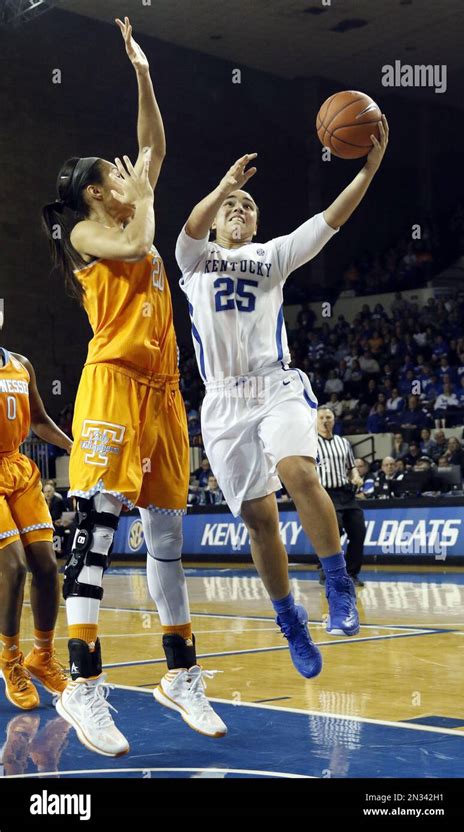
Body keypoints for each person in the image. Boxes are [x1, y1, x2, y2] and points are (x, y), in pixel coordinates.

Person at [41, 17, 225, 757]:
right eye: (116, 177)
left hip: (163, 390)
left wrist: (144, 74)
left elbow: (154, 145)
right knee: (95, 536)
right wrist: (141, 195)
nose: (132, 177)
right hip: (113, 383)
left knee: (167, 538)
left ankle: (181, 673)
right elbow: (138, 240)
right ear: (94, 192)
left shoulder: (132, 201)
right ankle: (82, 686)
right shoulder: (88, 236)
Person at [176, 118, 389, 666]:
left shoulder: (272, 257)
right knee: (260, 519)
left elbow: (331, 220)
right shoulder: (193, 259)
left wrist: (368, 167)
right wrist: (223, 187)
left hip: (276, 384)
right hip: (222, 401)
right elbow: (192, 225)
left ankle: (337, 582)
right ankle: (289, 619)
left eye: (248, 205)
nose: (239, 210)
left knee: (297, 470)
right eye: (232, 206)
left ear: (259, 222)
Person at [0, 347, 71, 709]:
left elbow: (39, 421)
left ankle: (42, 656)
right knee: (13, 567)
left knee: (46, 565)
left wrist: (75, 447)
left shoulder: (21, 364)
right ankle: (10, 660)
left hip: (19, 468)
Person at [316, 411, 366, 586]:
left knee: (359, 531)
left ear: (334, 420)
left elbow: (351, 467)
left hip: (345, 493)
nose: (325, 421)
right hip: (324, 493)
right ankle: (327, 570)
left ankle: (352, 573)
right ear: (315, 420)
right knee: (333, 531)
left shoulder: (343, 442)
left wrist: (356, 477)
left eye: (328, 418)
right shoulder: (309, 443)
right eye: (321, 418)